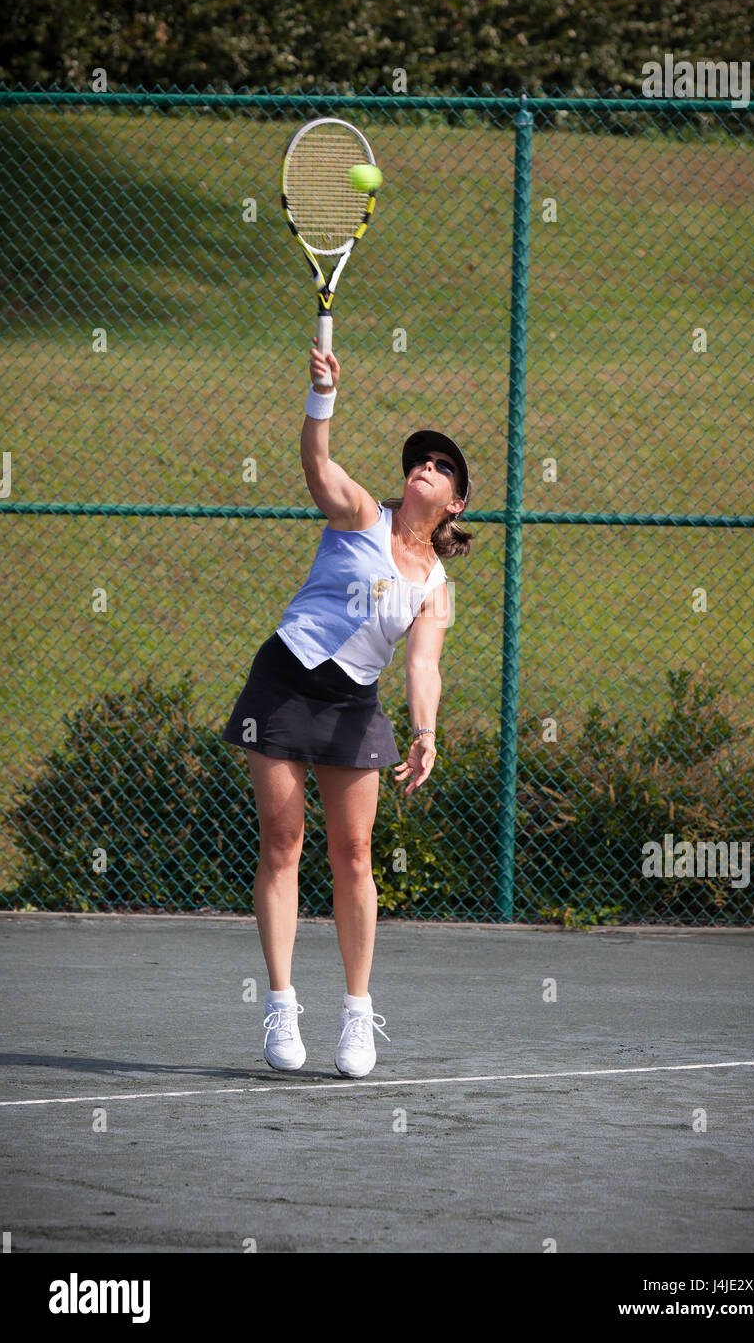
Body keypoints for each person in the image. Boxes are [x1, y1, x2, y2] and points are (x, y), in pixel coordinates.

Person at [222, 341, 474, 1078]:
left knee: (355, 854)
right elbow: (318, 467)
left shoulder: (435, 584)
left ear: (455, 502)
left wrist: (425, 731)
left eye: (445, 467)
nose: (427, 466)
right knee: (282, 840)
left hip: (352, 705)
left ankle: (357, 1015)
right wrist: (321, 397)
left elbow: (423, 664)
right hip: (285, 678)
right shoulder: (361, 513)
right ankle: (279, 1003)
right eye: (422, 459)